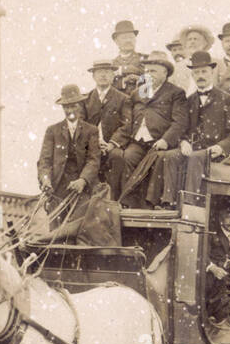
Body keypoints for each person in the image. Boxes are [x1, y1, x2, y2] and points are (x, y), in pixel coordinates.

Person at [157, 50, 230, 205]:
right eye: (196, 72)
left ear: (212, 72)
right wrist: (183, 142)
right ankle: (168, 202)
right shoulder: (189, 101)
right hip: (194, 147)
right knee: (170, 156)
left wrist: (220, 147)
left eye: (204, 71)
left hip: (217, 152)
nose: (200, 75)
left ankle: (189, 204)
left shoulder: (227, 100)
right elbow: (183, 129)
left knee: (195, 158)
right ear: (192, 75)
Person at [111, 52, 188, 205]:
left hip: (159, 142)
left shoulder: (176, 93)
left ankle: (152, 204)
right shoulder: (137, 92)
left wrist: (166, 140)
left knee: (157, 161)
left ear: (165, 73)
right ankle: (129, 203)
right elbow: (128, 120)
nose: (149, 74)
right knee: (127, 157)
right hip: (138, 142)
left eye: (153, 71)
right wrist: (117, 141)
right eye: (147, 71)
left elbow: (180, 121)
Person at [37, 83, 101, 222]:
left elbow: (93, 160)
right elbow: (44, 161)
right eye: (66, 107)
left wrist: (82, 180)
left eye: (73, 106)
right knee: (56, 231)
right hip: (57, 188)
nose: (70, 110)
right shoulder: (52, 131)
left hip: (83, 189)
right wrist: (46, 179)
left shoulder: (91, 131)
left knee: (79, 228)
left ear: (80, 106)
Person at [82, 60, 131, 199]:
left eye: (107, 72)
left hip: (111, 145)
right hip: (90, 145)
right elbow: (82, 124)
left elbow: (126, 125)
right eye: (99, 72)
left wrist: (111, 144)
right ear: (93, 76)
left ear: (113, 76)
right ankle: (86, 200)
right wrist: (93, 143)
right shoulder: (85, 99)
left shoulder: (123, 99)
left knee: (117, 157)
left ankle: (114, 199)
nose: (103, 75)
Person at [110, 20, 145, 94]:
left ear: (135, 40)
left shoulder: (146, 59)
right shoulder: (111, 64)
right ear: (116, 41)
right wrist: (124, 81)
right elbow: (107, 85)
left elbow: (154, 79)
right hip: (119, 104)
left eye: (131, 37)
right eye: (124, 38)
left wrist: (140, 79)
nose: (128, 40)